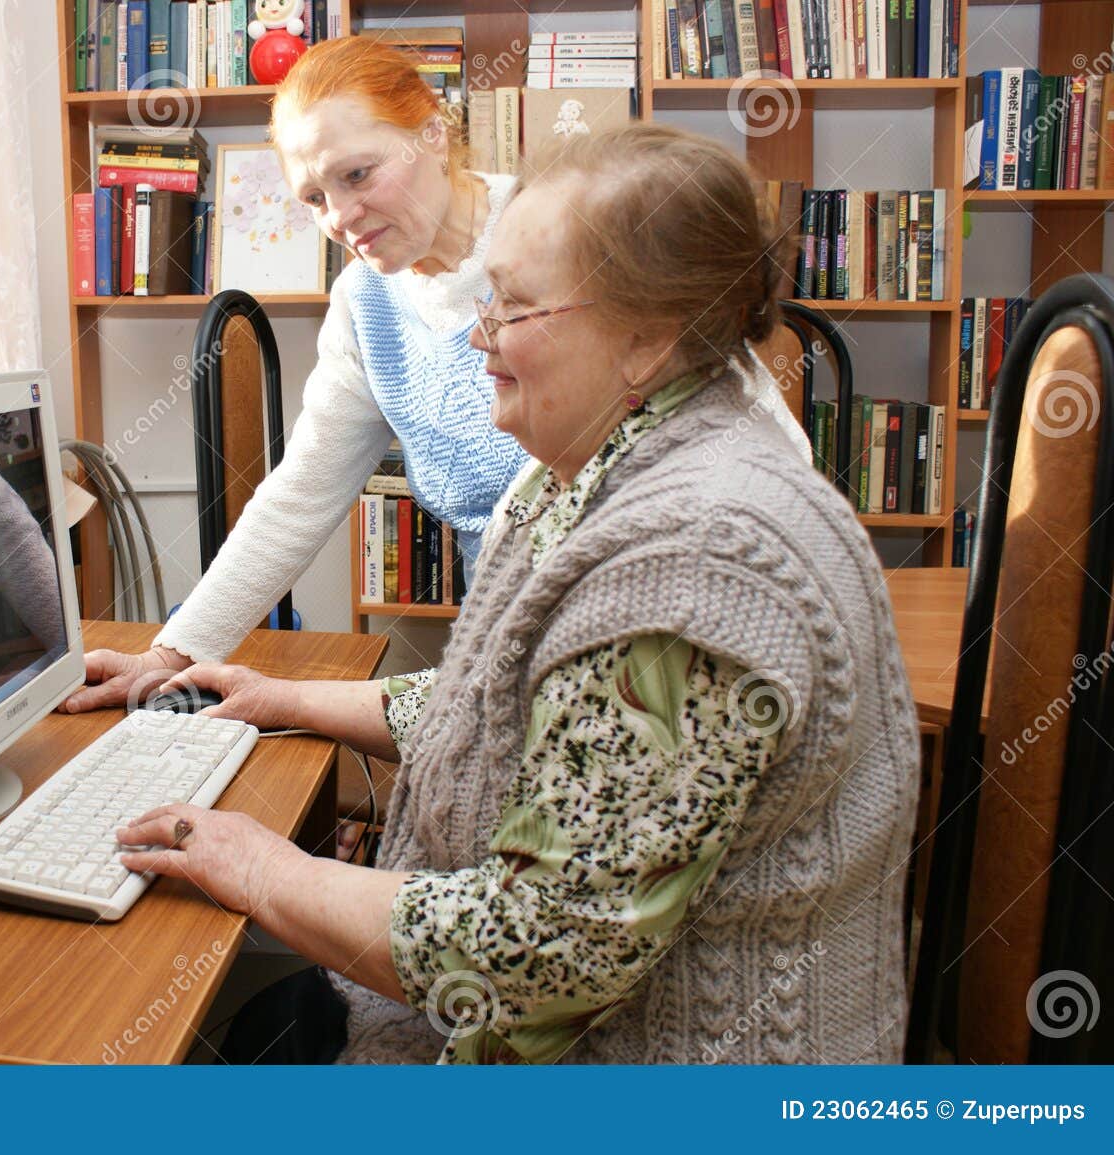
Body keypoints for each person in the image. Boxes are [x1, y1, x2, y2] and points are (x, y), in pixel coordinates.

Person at [114, 123, 921, 1065]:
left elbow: (541, 949)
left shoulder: (694, 565)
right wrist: (283, 698)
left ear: (647, 340)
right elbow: (512, 707)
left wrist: (256, 863)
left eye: (513, 306)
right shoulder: (585, 468)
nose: (475, 335)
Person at [62, 39, 806, 721]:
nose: (343, 216)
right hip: (507, 653)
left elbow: (752, 431)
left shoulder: (561, 224)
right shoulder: (367, 300)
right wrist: (173, 653)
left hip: (654, 631)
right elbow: (302, 491)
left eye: (358, 174)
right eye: (315, 199)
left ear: (431, 129)